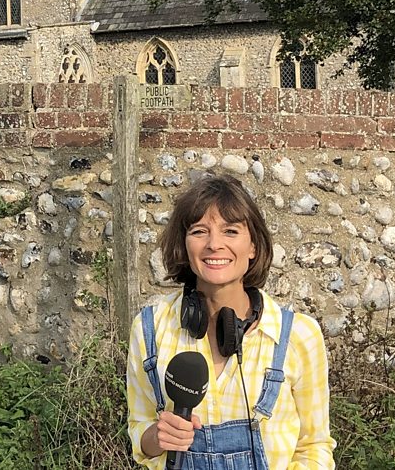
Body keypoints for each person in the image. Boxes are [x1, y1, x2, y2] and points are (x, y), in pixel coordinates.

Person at [126, 173, 336, 469]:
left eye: (231, 231)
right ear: (184, 245)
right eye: (199, 231)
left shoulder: (298, 336)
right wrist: (156, 438)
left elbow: (314, 448)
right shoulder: (150, 328)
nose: (214, 244)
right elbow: (139, 430)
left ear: (253, 247)